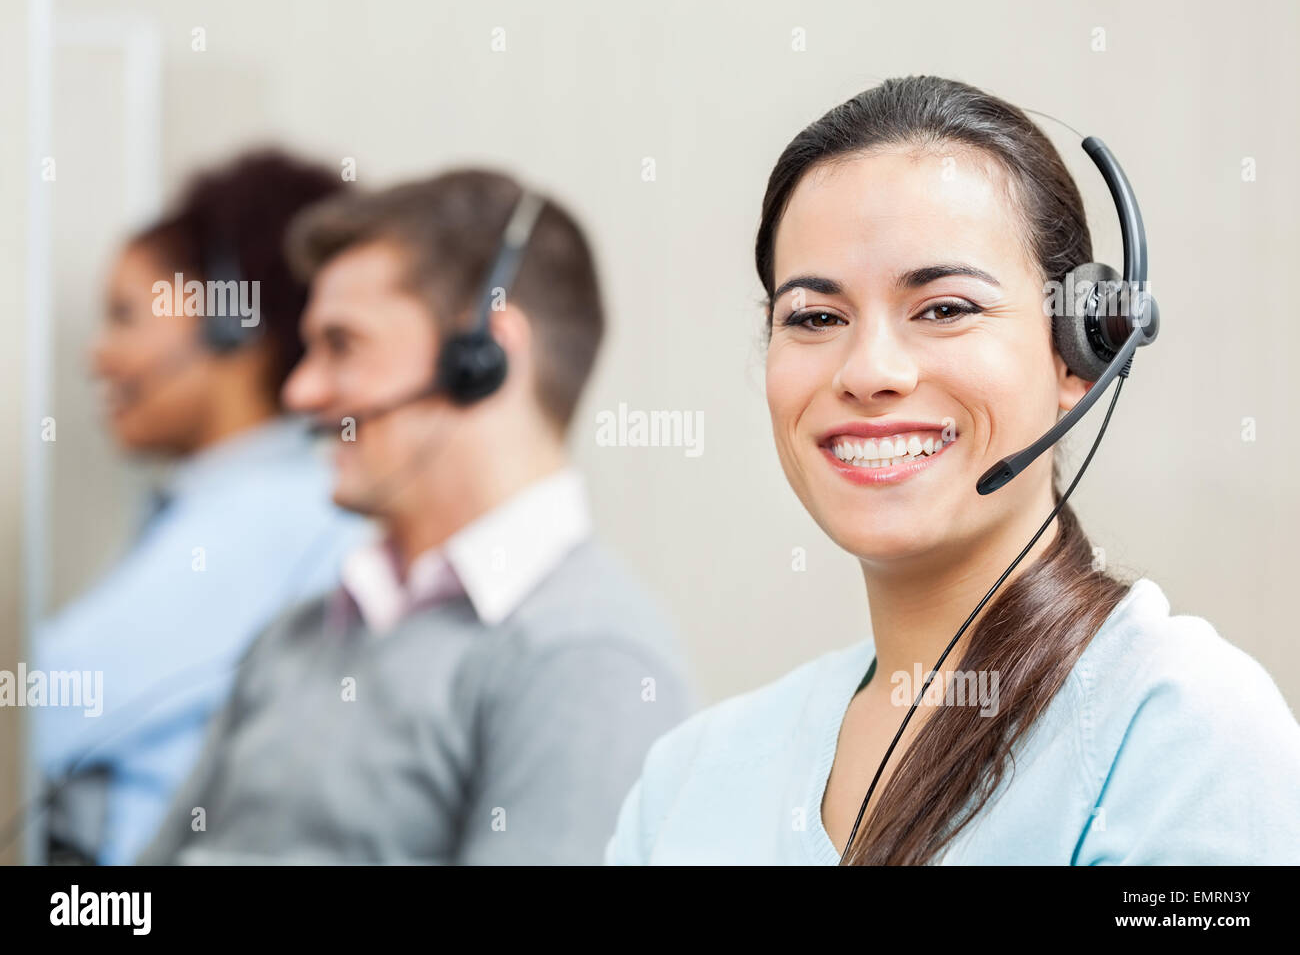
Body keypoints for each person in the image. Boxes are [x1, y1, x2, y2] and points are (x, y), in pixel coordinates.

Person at [606, 75, 1300, 865]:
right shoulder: (686, 780)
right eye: (816, 317)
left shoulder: (1184, 737)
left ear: (1082, 349)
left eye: (945, 308)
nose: (868, 371)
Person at [137, 168, 695, 864]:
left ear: (483, 358)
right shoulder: (299, 634)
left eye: (342, 345)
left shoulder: (588, 662)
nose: (300, 391)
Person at [33, 150, 372, 866]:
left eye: (126, 316)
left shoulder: (270, 514)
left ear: (231, 325)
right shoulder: (242, 499)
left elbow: (38, 713)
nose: (98, 357)